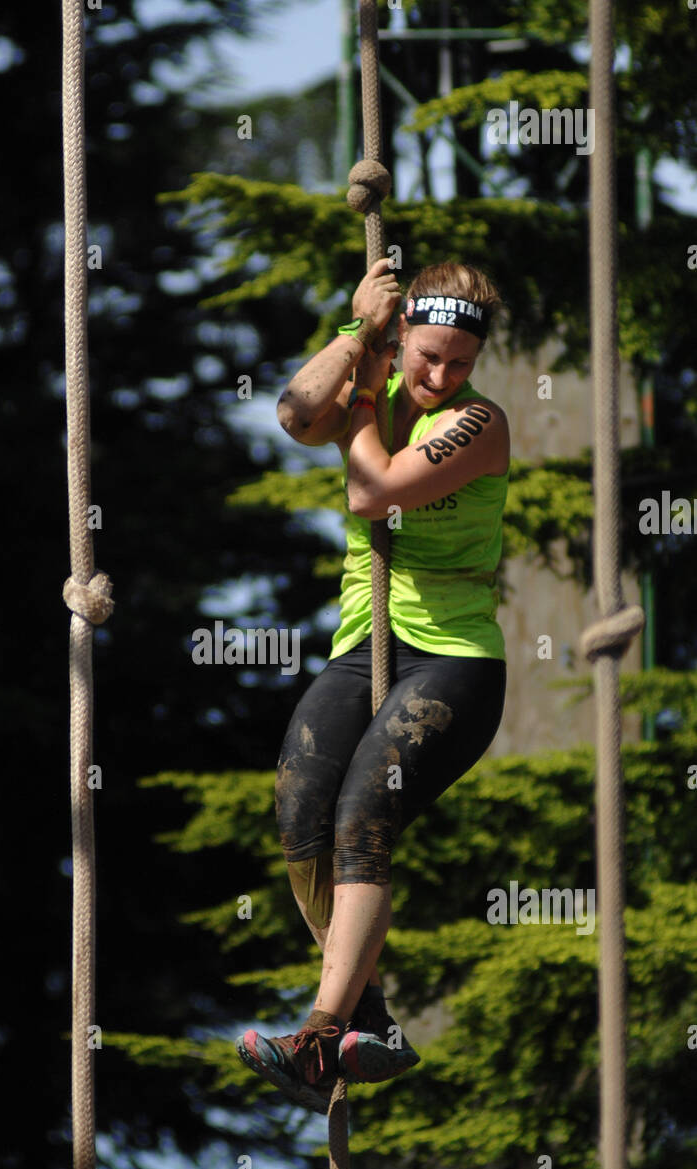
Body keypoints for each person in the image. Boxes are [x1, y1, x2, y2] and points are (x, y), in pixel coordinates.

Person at [236, 259, 510, 1114]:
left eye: (459, 362)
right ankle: (374, 1021)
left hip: (455, 657)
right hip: (367, 643)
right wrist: (358, 333)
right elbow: (292, 413)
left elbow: (372, 490)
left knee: (363, 813)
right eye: (428, 357)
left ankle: (323, 1034)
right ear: (403, 338)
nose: (440, 377)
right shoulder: (376, 373)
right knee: (297, 807)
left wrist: (370, 392)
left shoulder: (479, 421)